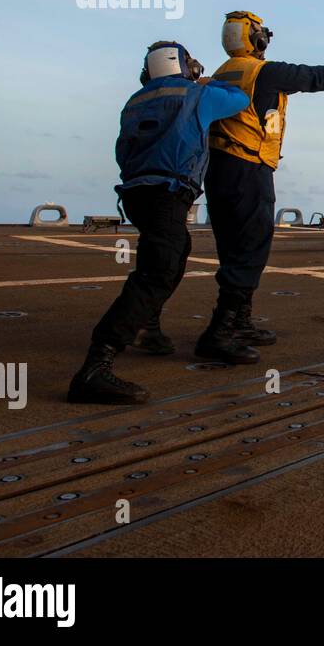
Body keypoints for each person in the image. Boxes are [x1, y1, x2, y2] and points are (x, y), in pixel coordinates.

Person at [201, 11, 324, 360]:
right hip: (249, 169)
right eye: (263, 36)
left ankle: (240, 321)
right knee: (251, 247)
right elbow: (314, 77)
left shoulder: (221, 73)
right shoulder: (264, 72)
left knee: (234, 249)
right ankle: (221, 331)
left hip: (218, 170)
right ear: (255, 38)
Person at [67, 42, 250, 405]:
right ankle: (96, 365)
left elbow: (123, 150)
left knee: (176, 251)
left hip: (136, 193)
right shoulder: (197, 95)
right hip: (168, 192)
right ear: (187, 67)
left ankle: (148, 328)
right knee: (157, 272)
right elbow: (239, 100)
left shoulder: (134, 101)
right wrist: (209, 82)